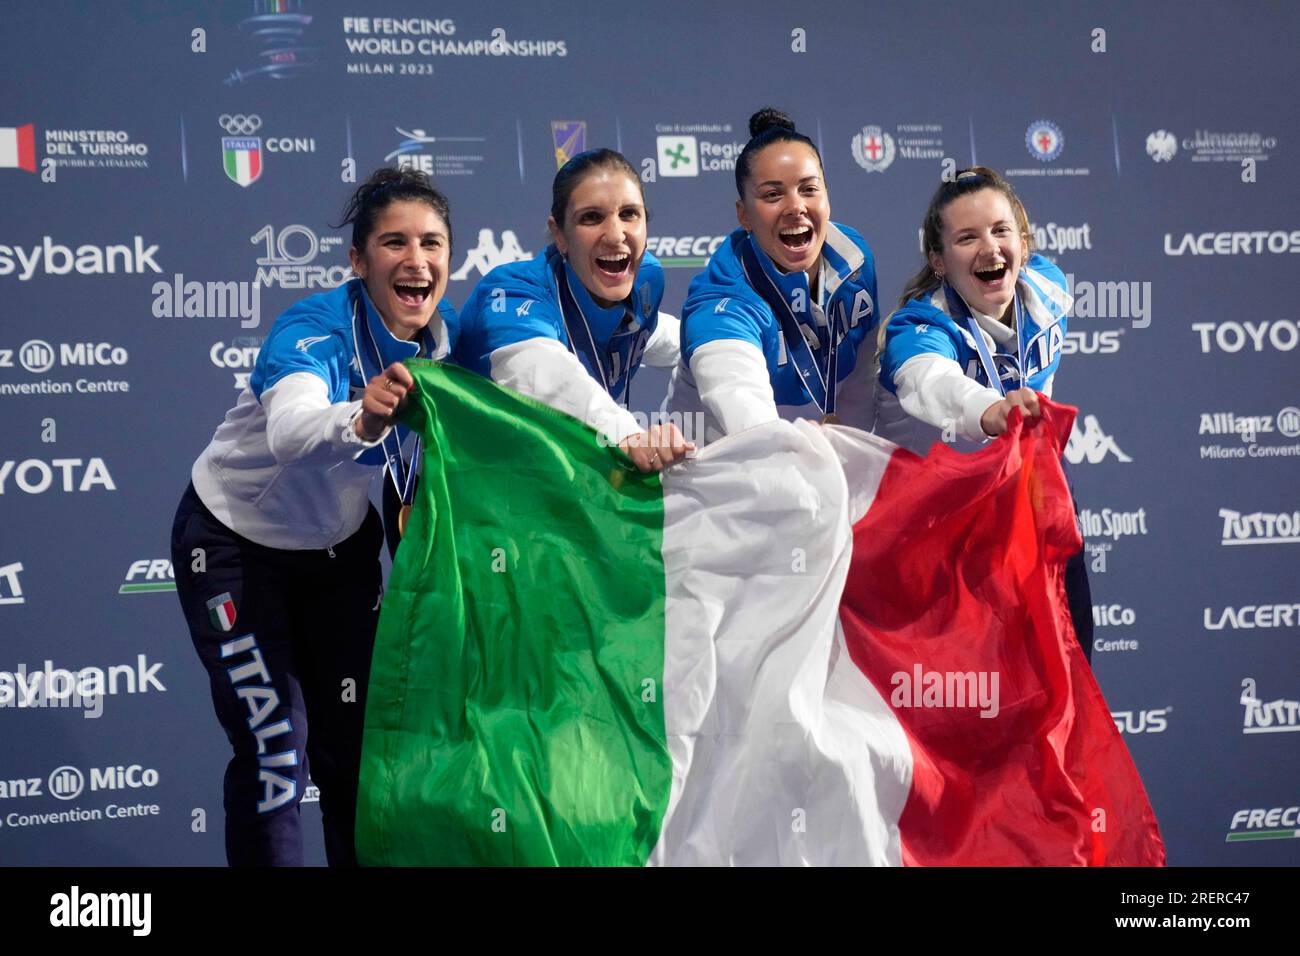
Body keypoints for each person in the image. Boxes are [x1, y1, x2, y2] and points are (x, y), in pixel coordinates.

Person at [170, 167, 458, 865]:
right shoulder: (316, 326)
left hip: (339, 553)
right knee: (276, 751)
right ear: (358, 261)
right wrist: (360, 418)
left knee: (357, 759)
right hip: (235, 545)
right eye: (394, 242)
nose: (416, 261)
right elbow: (292, 433)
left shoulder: (442, 348)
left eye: (432, 243)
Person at [875, 166, 1093, 658]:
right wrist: (993, 409)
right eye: (967, 238)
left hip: (1020, 496)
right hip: (932, 521)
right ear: (938, 259)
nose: (990, 249)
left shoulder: (1052, 289)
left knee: (1068, 658)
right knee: (959, 692)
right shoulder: (921, 323)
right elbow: (926, 380)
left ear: (1024, 240)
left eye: (1000, 231)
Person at [455, 148, 691, 471]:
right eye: (591, 217)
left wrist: (719, 340)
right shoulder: (510, 293)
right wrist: (628, 436)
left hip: (568, 488)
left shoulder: (645, 279)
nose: (616, 234)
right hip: (483, 495)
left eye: (629, 214)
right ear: (559, 235)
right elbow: (546, 376)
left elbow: (651, 333)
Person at [665, 107, 880, 443]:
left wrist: (848, 455)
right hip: (718, 473)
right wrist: (817, 458)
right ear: (744, 215)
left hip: (814, 460)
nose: (796, 207)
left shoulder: (855, 259)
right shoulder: (721, 301)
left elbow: (860, 379)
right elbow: (746, 415)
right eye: (772, 195)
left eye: (809, 189)